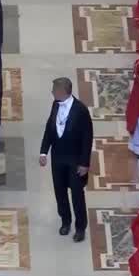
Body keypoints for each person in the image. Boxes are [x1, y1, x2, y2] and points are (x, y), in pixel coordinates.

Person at [39, 77, 94, 241]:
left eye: (54, 90)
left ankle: (80, 227)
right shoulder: (55, 104)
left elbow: (87, 138)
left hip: (75, 160)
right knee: (60, 191)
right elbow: (49, 128)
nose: (52, 92)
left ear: (63, 91)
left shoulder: (81, 110)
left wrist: (84, 163)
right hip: (58, 158)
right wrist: (43, 152)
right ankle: (65, 220)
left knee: (77, 194)